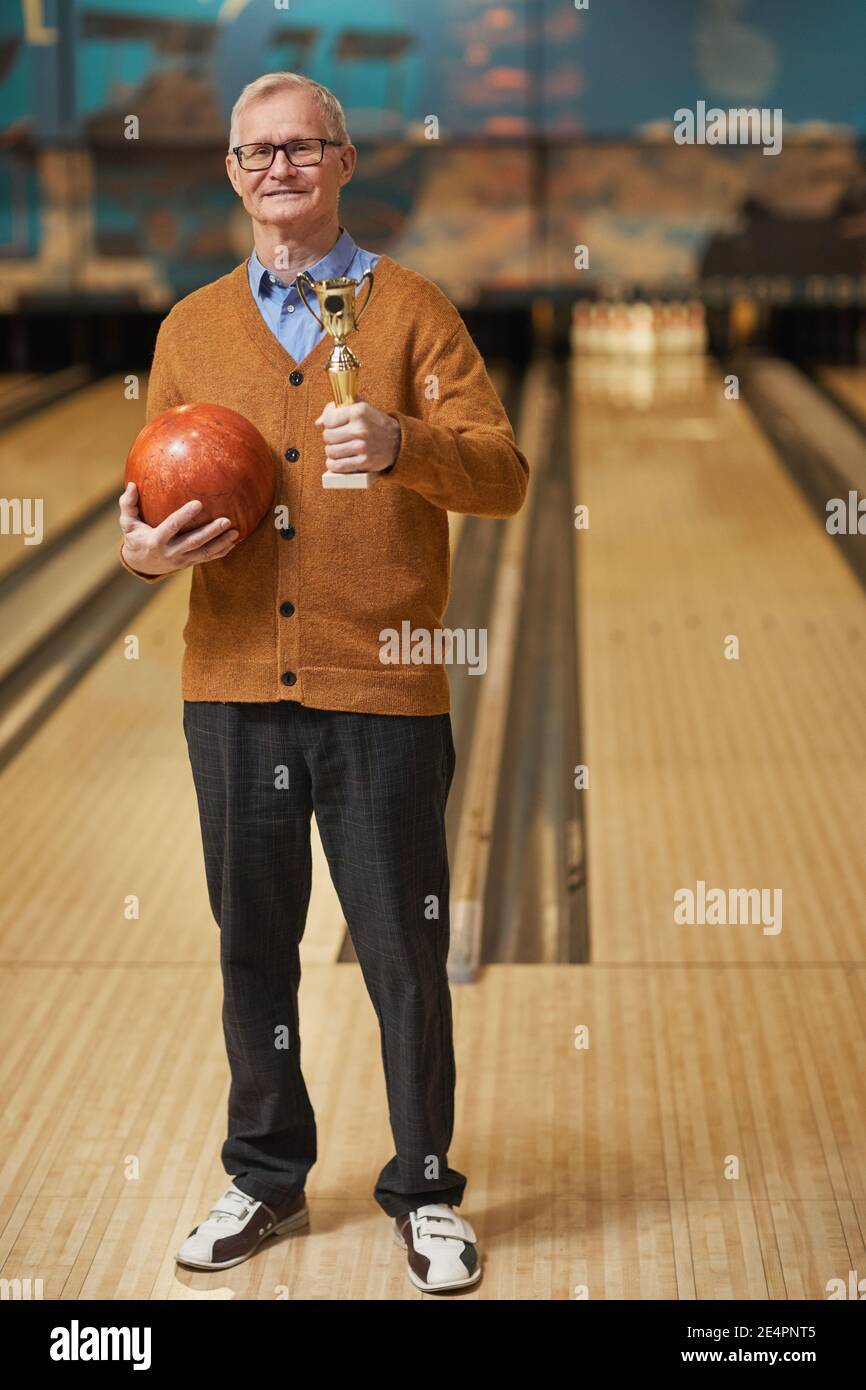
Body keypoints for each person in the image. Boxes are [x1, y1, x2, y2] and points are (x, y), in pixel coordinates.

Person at [117, 71, 529, 1294]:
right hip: (232, 685)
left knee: (403, 951)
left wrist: (408, 444)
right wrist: (136, 554)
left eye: (303, 147)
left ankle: (422, 1186)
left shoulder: (409, 313)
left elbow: (504, 473)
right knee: (254, 944)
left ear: (345, 162)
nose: (279, 167)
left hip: (385, 683)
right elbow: (141, 497)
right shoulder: (190, 329)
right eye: (256, 153)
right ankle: (263, 1175)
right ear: (231, 173)